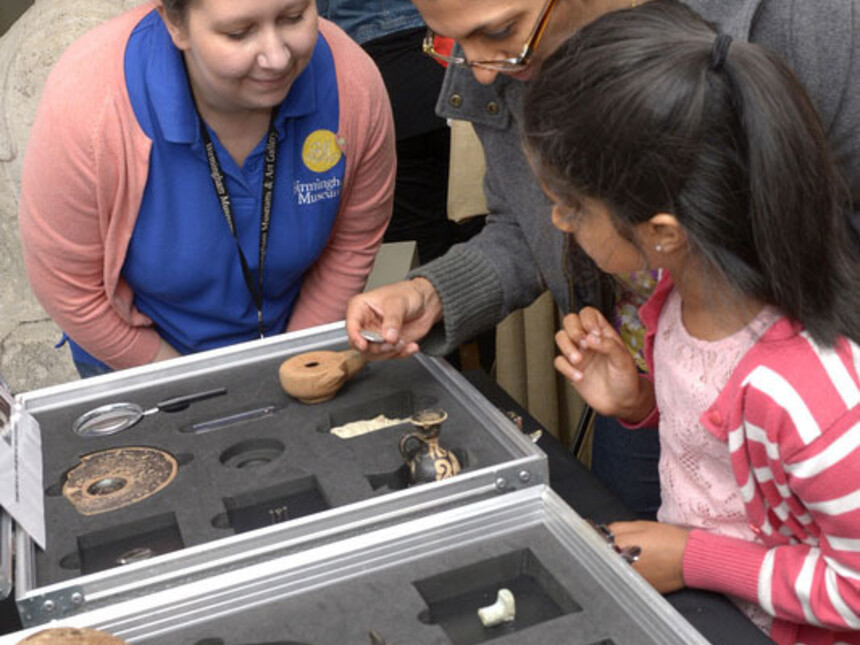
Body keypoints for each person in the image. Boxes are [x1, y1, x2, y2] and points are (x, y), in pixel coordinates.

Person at [344, 0, 860, 519]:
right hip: (649, 390)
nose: (479, 71)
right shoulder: (495, 57)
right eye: (449, 43)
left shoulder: (804, 21)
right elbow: (527, 223)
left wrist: (692, 558)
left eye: (503, 30)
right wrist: (433, 293)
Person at [522, 1, 860, 643]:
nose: (559, 223)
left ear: (661, 233)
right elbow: (725, 446)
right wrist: (640, 402)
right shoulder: (676, 301)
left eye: (569, 206)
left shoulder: (814, 394)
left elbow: (855, 586)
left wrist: (692, 558)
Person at [19, 0, 396, 377]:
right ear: (175, 24)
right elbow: (69, 289)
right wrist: (187, 384)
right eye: (238, 33)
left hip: (294, 341)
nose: (277, 57)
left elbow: (352, 242)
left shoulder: (352, 83)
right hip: (139, 361)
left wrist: (295, 365)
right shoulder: (89, 105)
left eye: (293, 17)